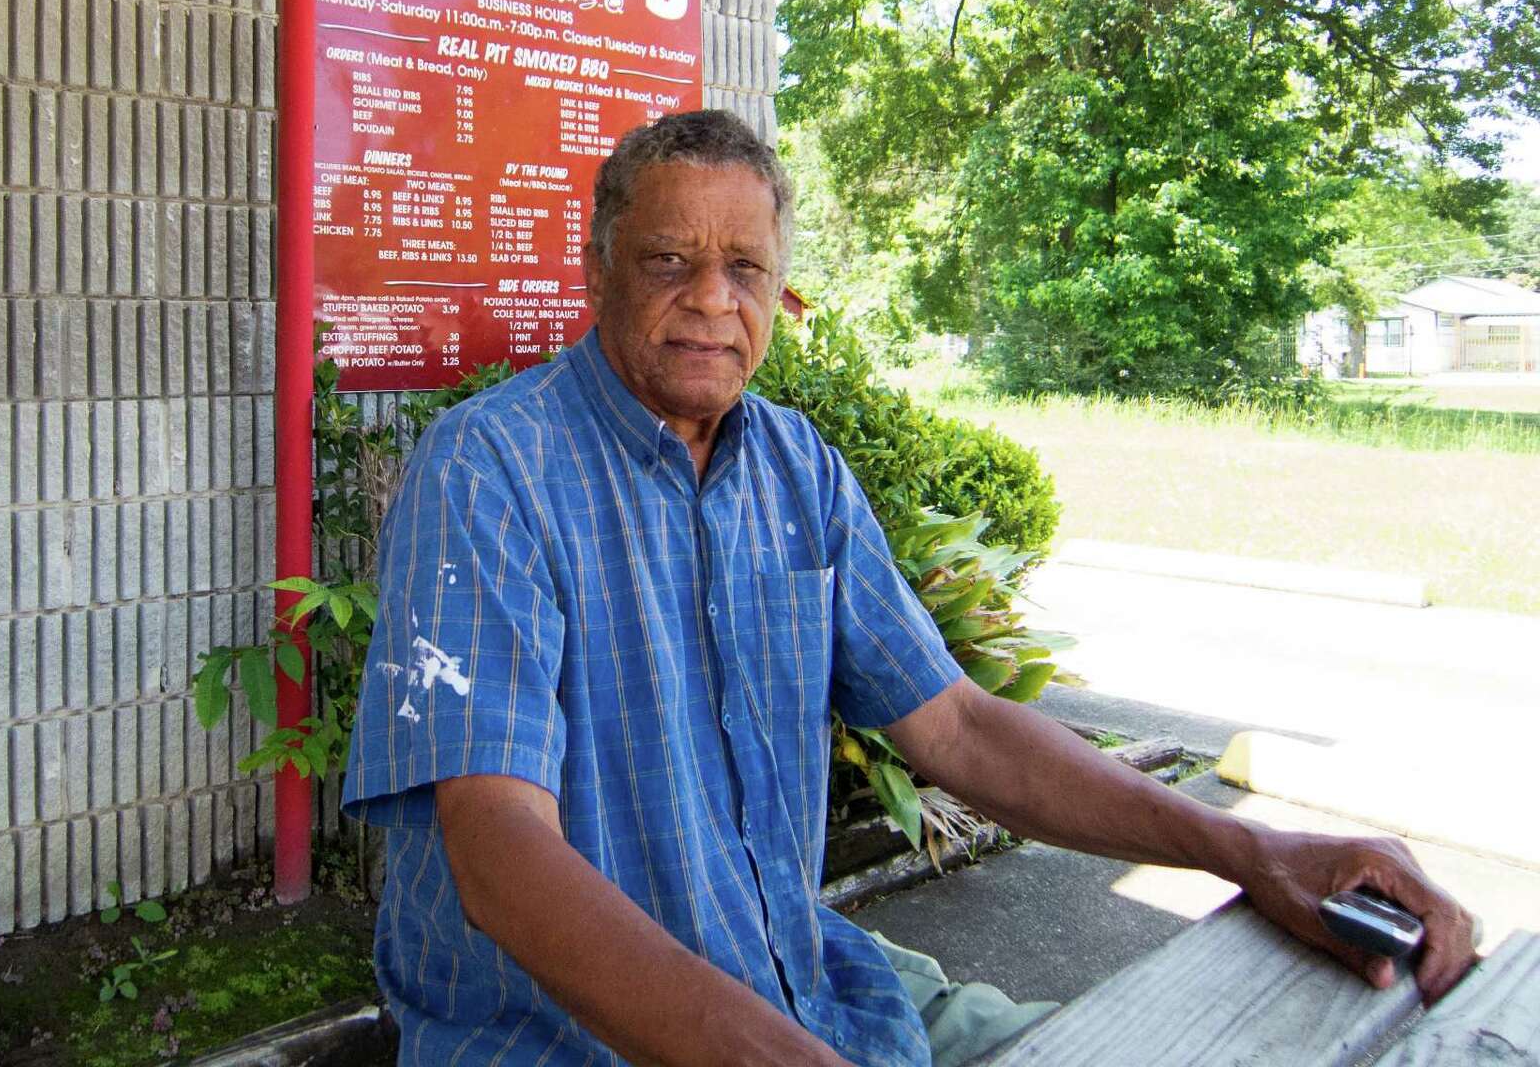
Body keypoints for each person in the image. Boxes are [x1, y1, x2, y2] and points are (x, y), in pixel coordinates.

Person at [339, 110, 1476, 1067]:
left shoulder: (796, 468)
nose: (710, 301)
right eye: (667, 261)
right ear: (596, 268)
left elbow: (965, 728)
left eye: (745, 269)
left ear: (779, 291)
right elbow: (500, 859)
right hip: (566, 1041)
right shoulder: (492, 468)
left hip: (819, 989)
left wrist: (1251, 851)